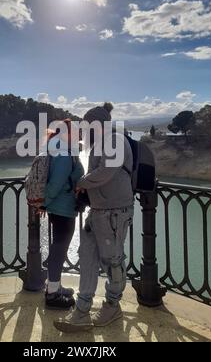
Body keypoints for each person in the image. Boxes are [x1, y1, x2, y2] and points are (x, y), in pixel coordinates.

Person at [54, 103, 134, 332]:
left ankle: (112, 305)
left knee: (113, 259)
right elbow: (98, 175)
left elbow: (107, 171)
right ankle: (81, 309)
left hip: (115, 211)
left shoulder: (116, 140)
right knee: (87, 258)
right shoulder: (100, 143)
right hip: (99, 211)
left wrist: (80, 183)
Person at [44, 119, 85, 311]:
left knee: (58, 248)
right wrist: (43, 203)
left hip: (62, 207)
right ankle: (52, 294)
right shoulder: (63, 154)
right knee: (59, 250)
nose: (78, 134)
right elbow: (56, 183)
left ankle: (55, 285)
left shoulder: (65, 151)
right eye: (74, 131)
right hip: (62, 209)